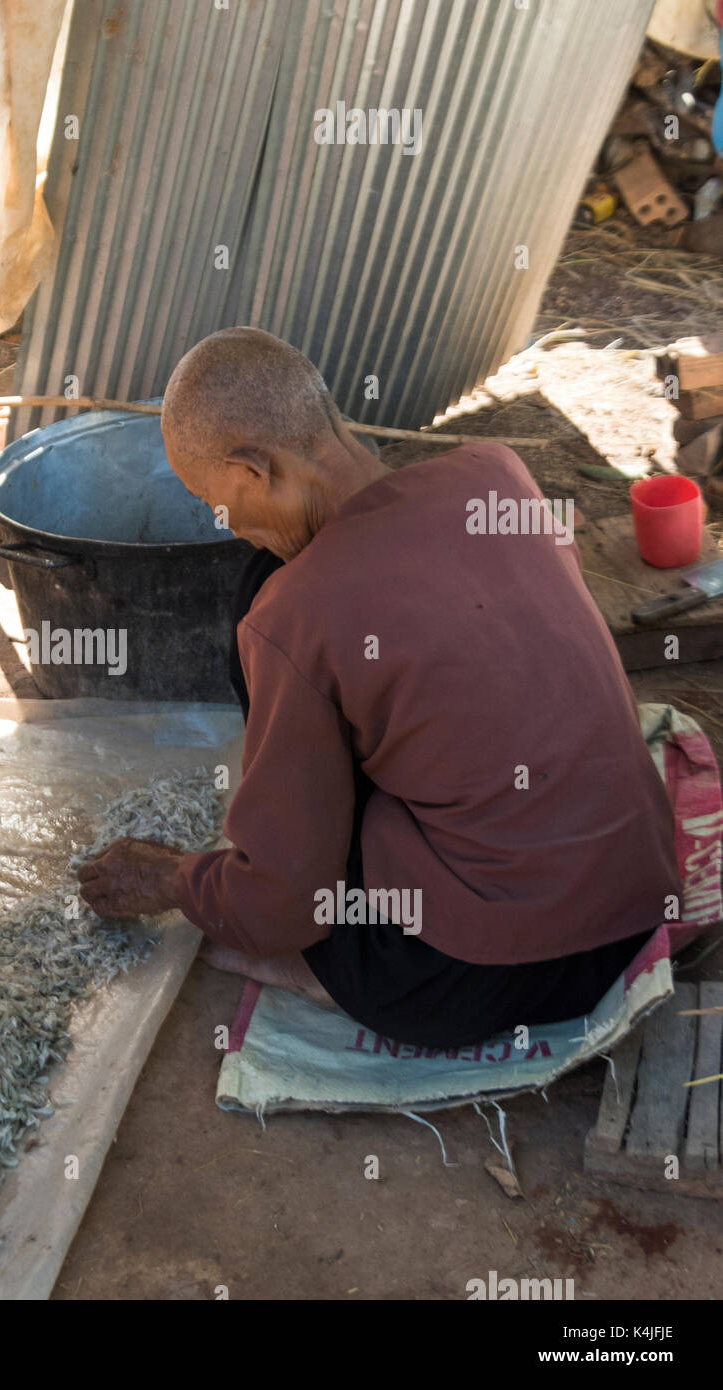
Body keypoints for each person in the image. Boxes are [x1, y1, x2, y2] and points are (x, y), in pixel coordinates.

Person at [75, 327, 680, 1048]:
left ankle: (323, 971)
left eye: (217, 501)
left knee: (298, 875)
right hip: (638, 899)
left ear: (251, 469)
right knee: (279, 597)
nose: (226, 524)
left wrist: (178, 880)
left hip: (488, 975)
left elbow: (285, 907)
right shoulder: (497, 475)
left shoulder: (293, 617)